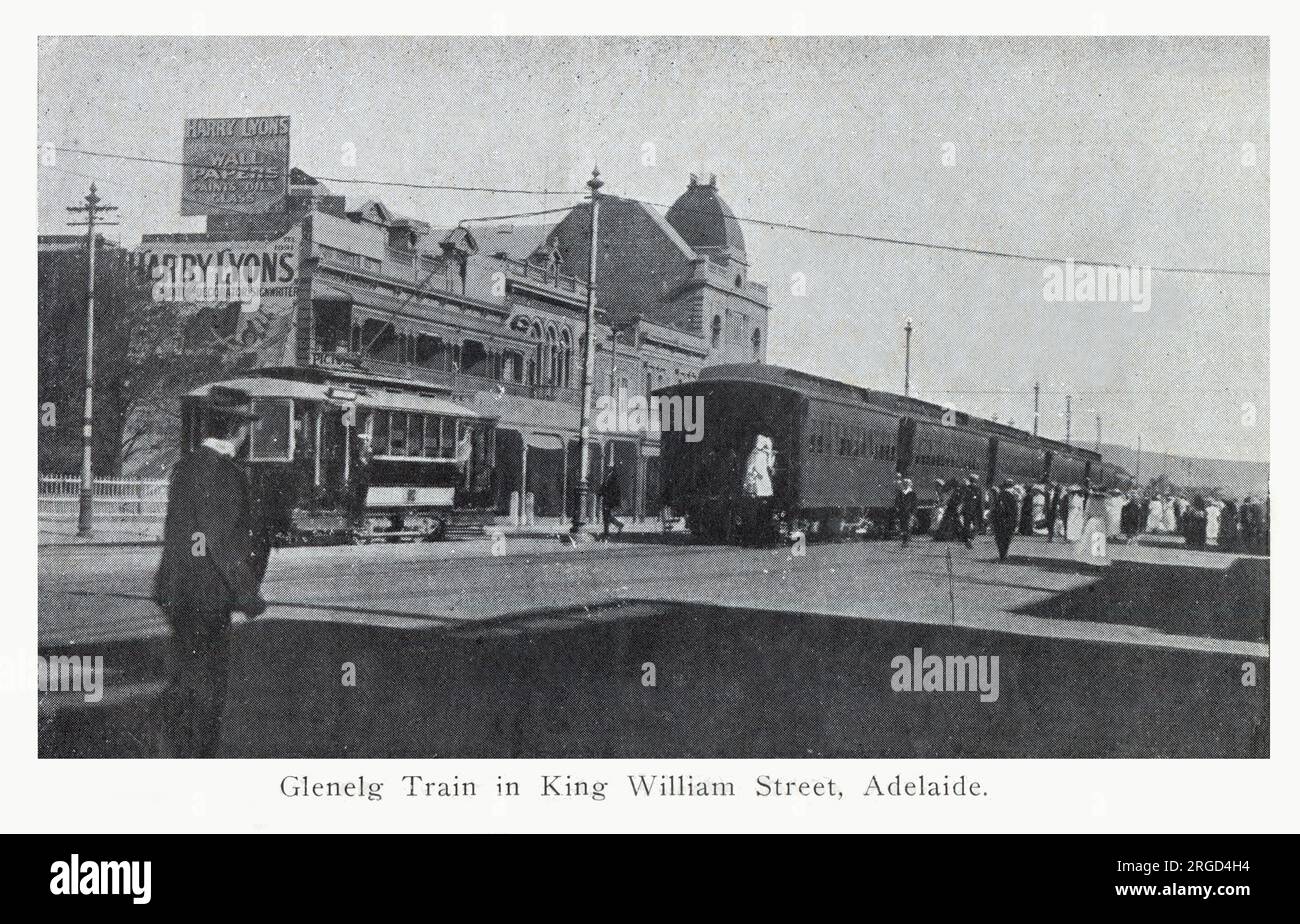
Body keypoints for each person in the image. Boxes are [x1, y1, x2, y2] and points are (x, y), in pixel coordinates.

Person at [153, 388, 269, 758]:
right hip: (210, 593)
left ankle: (177, 754)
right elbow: (220, 542)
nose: (247, 435)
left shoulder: (185, 466)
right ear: (236, 429)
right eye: (245, 426)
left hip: (178, 590)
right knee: (208, 688)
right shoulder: (227, 474)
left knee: (185, 677)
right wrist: (248, 592)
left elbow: (178, 532)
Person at [991, 478, 1019, 561]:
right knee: (1007, 537)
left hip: (1001, 519)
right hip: (1010, 519)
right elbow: (1015, 510)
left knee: (1000, 537)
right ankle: (1004, 554)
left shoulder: (1001, 495)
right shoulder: (1013, 495)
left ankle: (1002, 554)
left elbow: (996, 508)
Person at [959, 474, 984, 549]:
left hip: (966, 510)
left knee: (966, 526)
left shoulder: (965, 488)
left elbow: (962, 499)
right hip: (975, 511)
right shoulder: (978, 489)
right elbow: (980, 501)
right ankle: (970, 539)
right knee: (977, 526)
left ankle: (967, 539)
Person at [599, 467, 624, 538]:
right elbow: (604, 487)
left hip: (609, 500)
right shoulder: (608, 477)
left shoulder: (613, 478)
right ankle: (619, 525)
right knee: (607, 516)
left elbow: (612, 490)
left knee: (606, 516)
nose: (607, 468)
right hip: (607, 500)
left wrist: (603, 493)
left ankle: (606, 533)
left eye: (609, 467)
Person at [894, 477, 917, 547]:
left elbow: (914, 504)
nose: (906, 484)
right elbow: (897, 501)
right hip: (902, 511)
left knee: (907, 526)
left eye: (907, 483)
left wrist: (913, 512)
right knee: (902, 526)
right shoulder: (901, 493)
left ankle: (906, 541)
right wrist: (897, 508)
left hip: (909, 512)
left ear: (909, 484)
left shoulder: (912, 493)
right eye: (905, 483)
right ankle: (904, 541)